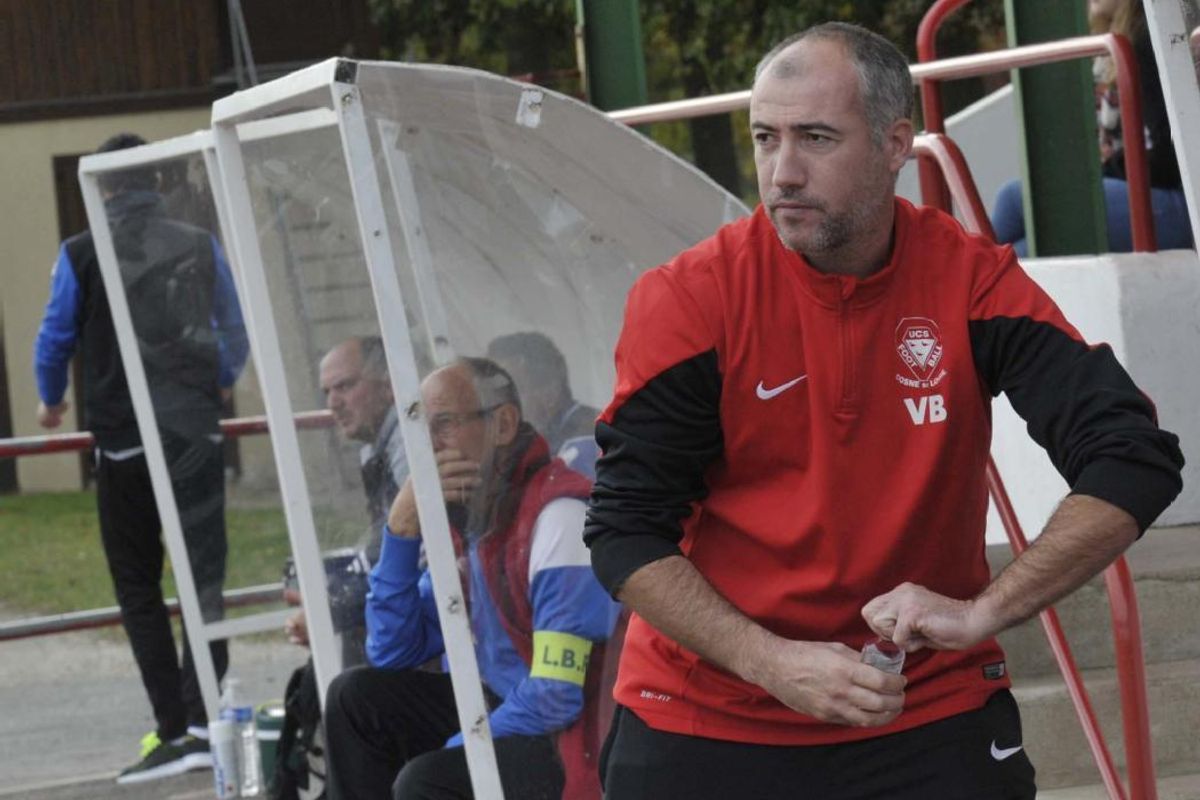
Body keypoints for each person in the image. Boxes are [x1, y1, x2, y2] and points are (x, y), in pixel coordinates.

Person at [584, 22, 1183, 800]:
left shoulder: (969, 281)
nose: (783, 172)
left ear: (896, 144)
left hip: (921, 707)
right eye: (766, 137)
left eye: (817, 138)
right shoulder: (690, 299)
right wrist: (775, 662)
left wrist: (986, 610)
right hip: (712, 711)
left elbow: (1134, 457)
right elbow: (625, 533)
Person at [33, 132, 249, 784]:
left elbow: (54, 336)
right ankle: (209, 722)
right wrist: (216, 378)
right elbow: (233, 330)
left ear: (103, 187)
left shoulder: (79, 251)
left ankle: (174, 730)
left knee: (138, 586)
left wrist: (50, 403)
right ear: (157, 183)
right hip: (195, 436)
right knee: (203, 582)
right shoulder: (198, 244)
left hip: (123, 443)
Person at [323, 357, 621, 800]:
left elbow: (556, 695)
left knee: (425, 780)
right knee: (355, 697)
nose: (429, 445)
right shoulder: (472, 519)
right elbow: (391, 650)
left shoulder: (558, 517)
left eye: (443, 424)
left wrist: (463, 745)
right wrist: (400, 534)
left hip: (570, 739)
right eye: (420, 428)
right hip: (504, 705)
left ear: (502, 425)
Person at [991, 0, 1193, 255]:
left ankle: (971, 285)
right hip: (1146, 190)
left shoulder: (1147, 39)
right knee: (1022, 253)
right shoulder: (1109, 43)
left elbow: (1170, 151)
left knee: (1013, 198)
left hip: (1181, 201)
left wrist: (1105, 170)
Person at [486, 331, 600, 475]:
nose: (498, 410)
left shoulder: (585, 444)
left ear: (550, 391)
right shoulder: (542, 439)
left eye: (510, 394)